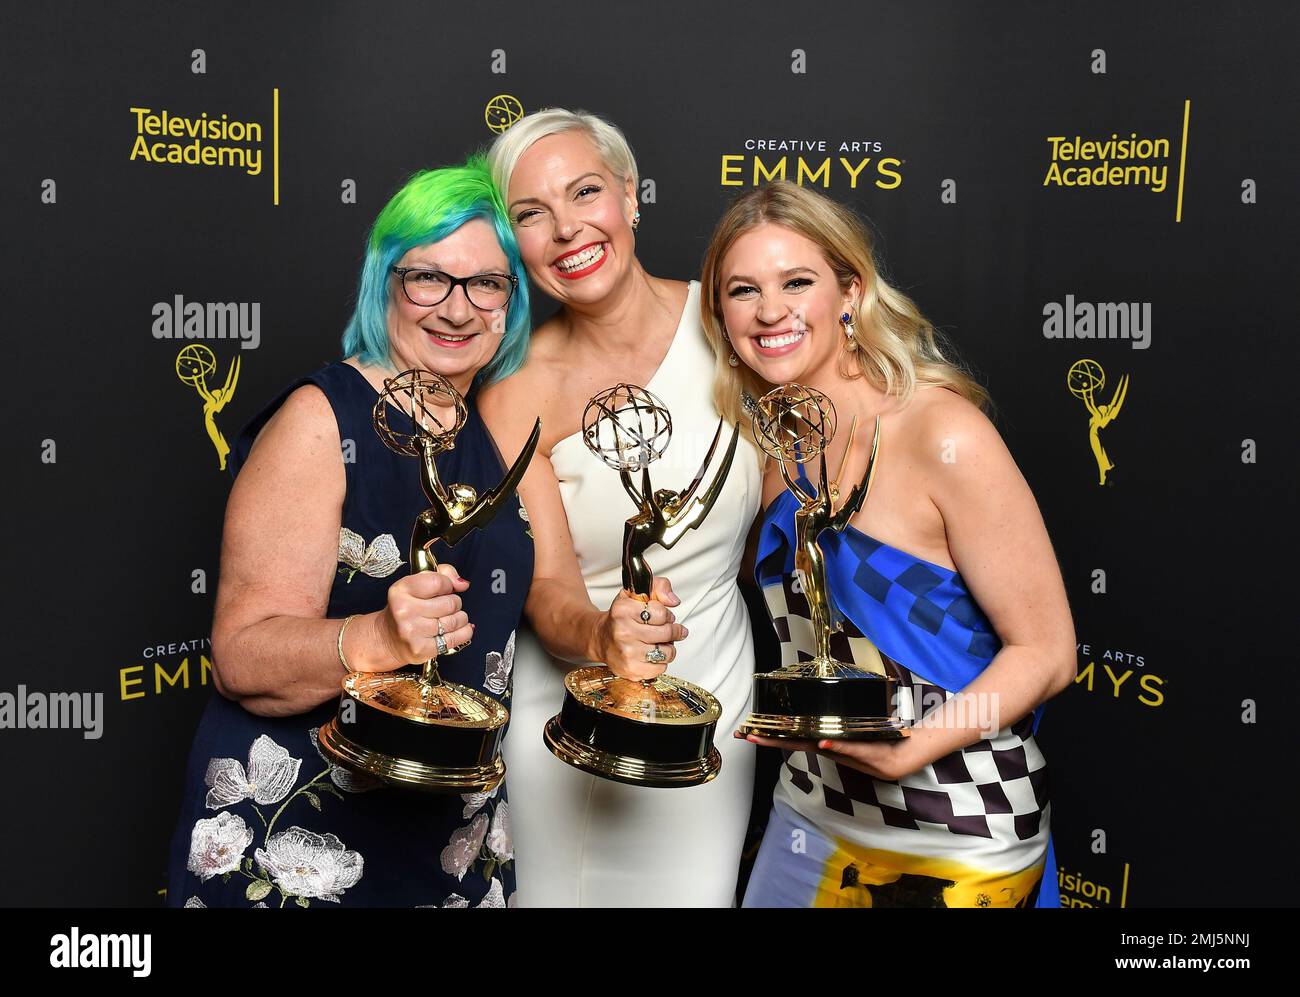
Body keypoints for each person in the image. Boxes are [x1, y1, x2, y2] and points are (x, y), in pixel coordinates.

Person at [165, 156, 534, 908]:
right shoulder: (319, 418)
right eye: (428, 277)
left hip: (450, 840)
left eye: (486, 284)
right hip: (301, 841)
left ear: (511, 300)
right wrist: (376, 638)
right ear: (385, 283)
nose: (458, 309)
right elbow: (240, 655)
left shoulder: (494, 430)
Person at [699, 181, 1075, 908]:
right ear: (720, 312)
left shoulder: (942, 432)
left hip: (961, 826)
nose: (770, 310)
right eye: (743, 289)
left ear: (851, 291)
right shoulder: (768, 445)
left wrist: (917, 743)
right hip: (809, 816)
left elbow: (1048, 651)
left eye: (796, 282)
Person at [478, 108, 759, 907]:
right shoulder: (517, 391)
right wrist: (604, 634)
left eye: (586, 192)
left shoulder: (733, 320)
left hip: (713, 701)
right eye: (531, 214)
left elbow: (785, 507)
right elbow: (549, 592)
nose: (567, 228)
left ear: (631, 198)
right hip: (569, 711)